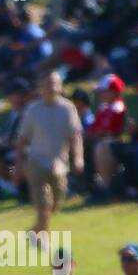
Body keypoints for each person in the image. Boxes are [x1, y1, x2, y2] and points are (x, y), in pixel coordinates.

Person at [15, 70, 83, 232]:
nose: (51, 87)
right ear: (40, 87)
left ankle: (35, 231)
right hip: (36, 162)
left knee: (55, 205)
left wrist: (79, 158)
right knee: (43, 204)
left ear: (60, 86)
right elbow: (22, 140)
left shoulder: (68, 108)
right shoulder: (32, 110)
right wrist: (18, 165)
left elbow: (75, 136)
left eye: (54, 83)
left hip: (60, 164)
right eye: (47, 84)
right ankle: (43, 240)